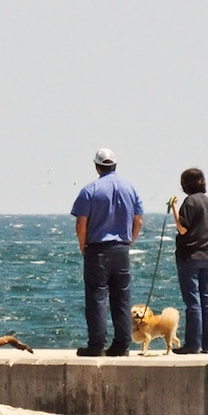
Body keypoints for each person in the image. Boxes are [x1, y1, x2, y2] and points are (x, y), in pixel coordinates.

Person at [71, 148, 145, 356]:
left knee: (96, 298)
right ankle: (121, 345)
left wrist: (83, 245)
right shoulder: (130, 189)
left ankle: (96, 345)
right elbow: (138, 220)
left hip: (97, 250)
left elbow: (81, 223)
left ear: (97, 166)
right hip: (122, 249)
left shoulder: (90, 190)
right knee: (122, 298)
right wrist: (130, 240)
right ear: (115, 165)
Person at [169, 168, 208, 354]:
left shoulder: (190, 202)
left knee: (193, 302)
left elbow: (183, 229)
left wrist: (174, 208)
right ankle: (207, 345)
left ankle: (192, 344)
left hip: (190, 257)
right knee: (206, 300)